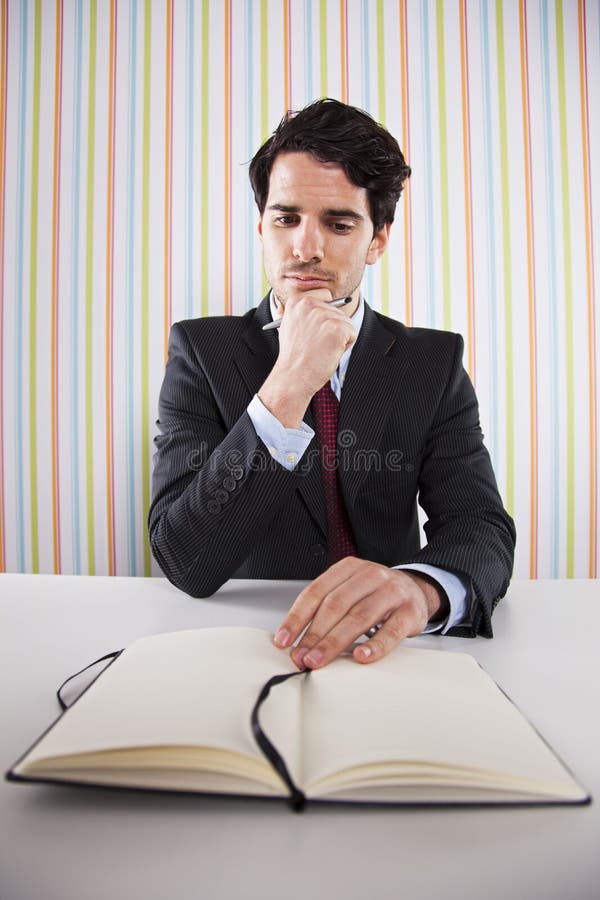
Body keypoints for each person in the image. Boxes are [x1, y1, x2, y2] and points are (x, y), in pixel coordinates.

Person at [149, 98, 515, 670]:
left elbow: (479, 524)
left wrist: (422, 590)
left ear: (378, 239)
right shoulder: (200, 351)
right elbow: (184, 559)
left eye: (339, 224)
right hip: (245, 649)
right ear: (261, 224)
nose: (305, 248)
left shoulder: (433, 361)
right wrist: (290, 380)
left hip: (392, 654)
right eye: (285, 218)